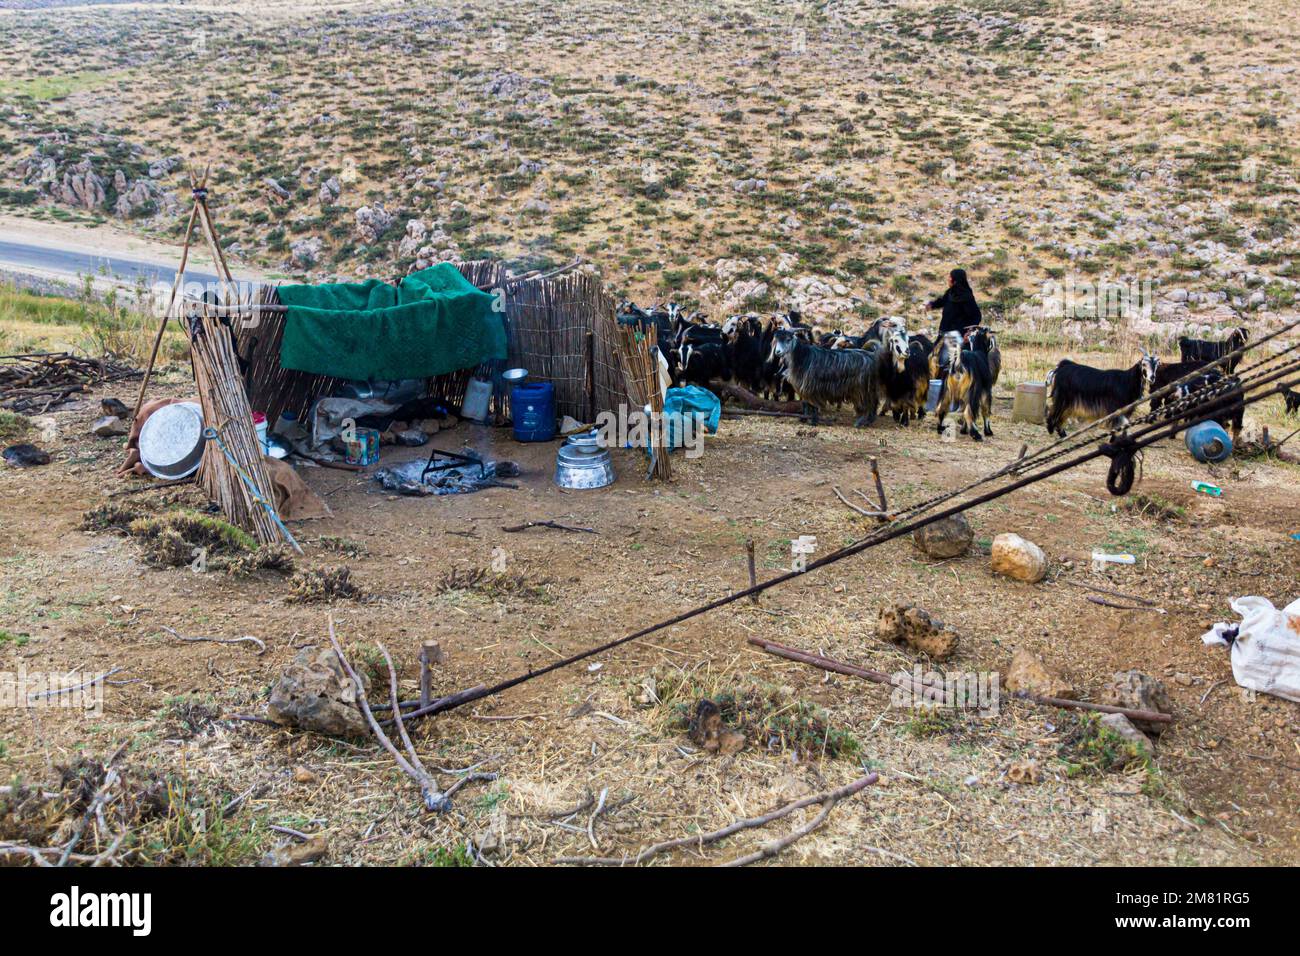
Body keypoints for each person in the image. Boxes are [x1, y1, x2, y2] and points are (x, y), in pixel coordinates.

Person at [928, 268, 982, 335]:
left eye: (950, 277)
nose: (948, 279)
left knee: (945, 346)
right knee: (936, 345)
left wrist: (969, 332)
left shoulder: (967, 297)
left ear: (955, 280)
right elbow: (942, 301)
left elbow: (976, 316)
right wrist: (932, 305)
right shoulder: (951, 292)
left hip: (955, 335)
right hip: (944, 331)